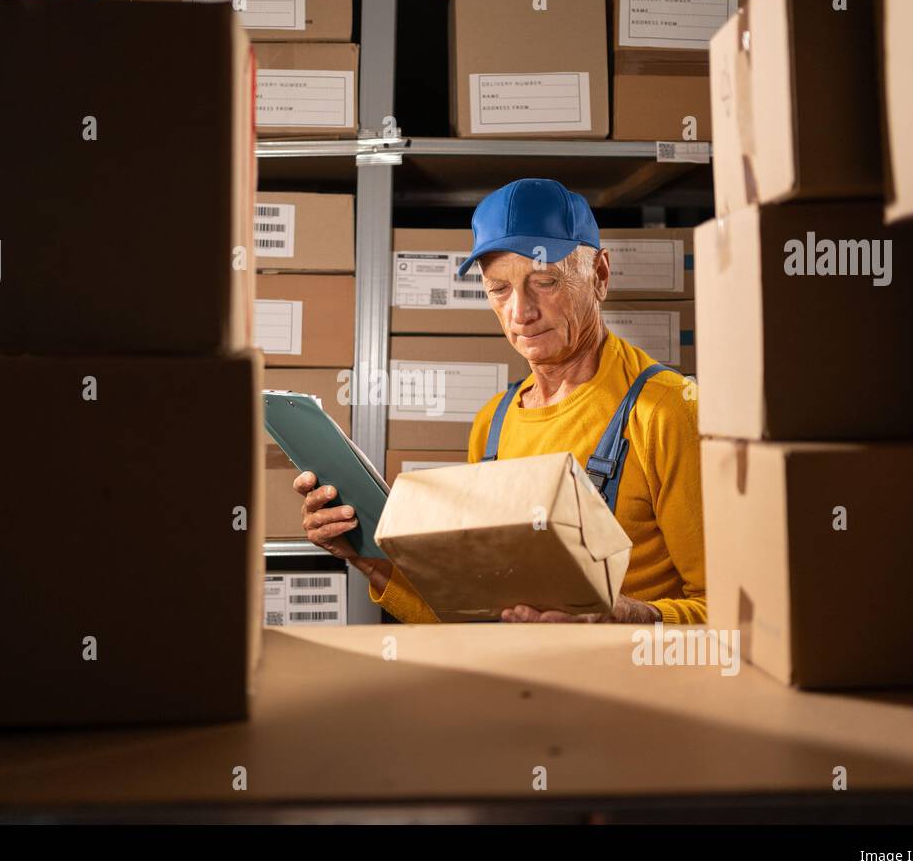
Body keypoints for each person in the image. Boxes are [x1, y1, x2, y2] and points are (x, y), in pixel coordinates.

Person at [294, 178, 705, 624]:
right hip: (523, 688)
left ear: (599, 275)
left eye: (545, 281)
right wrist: (366, 557)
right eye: (499, 290)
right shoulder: (494, 423)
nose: (521, 313)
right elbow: (475, 618)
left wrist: (622, 618)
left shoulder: (667, 411)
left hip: (631, 686)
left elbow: (735, 615)